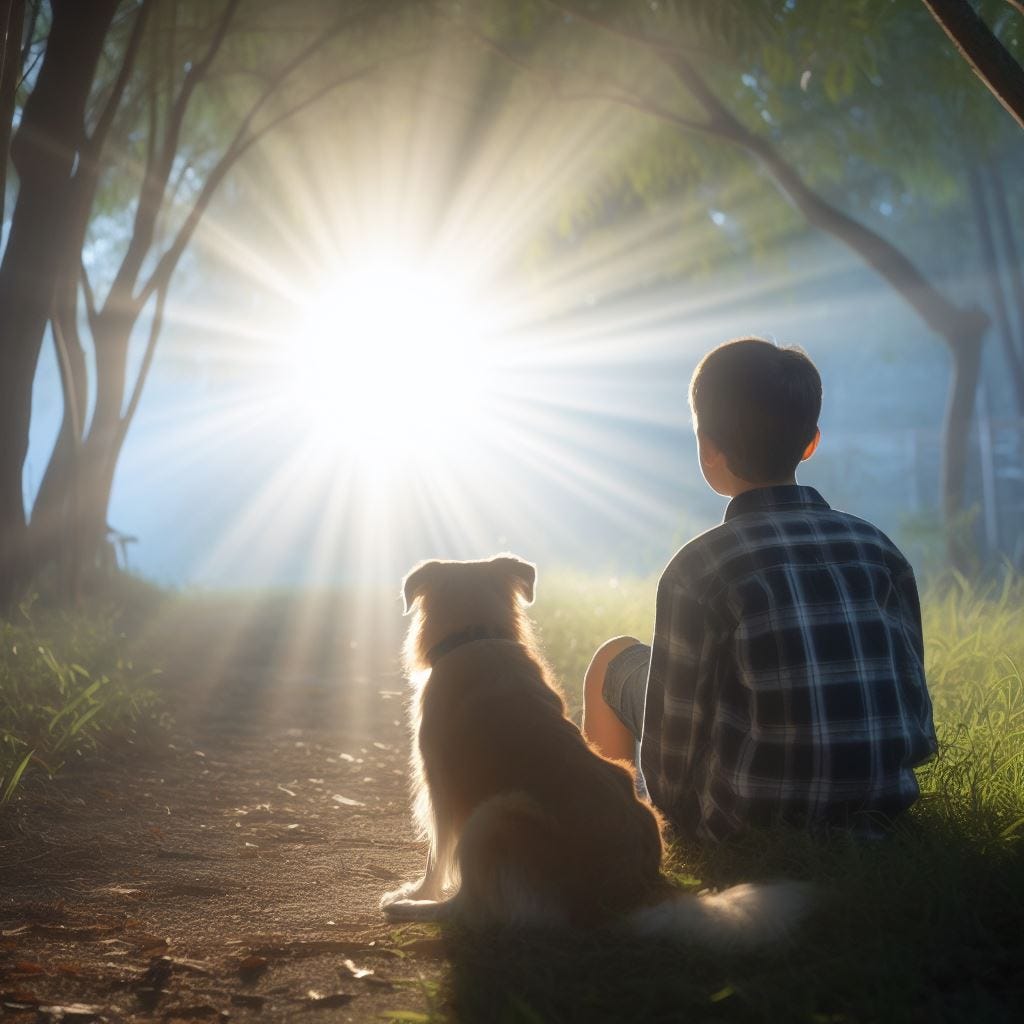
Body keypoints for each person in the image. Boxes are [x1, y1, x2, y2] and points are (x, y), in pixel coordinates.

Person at [582, 337, 937, 841]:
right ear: (811, 442)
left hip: (743, 822)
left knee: (613, 660)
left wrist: (669, 805)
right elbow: (917, 718)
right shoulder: (879, 549)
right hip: (881, 811)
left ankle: (611, 835)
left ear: (707, 447)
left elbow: (670, 760)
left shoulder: (698, 568)